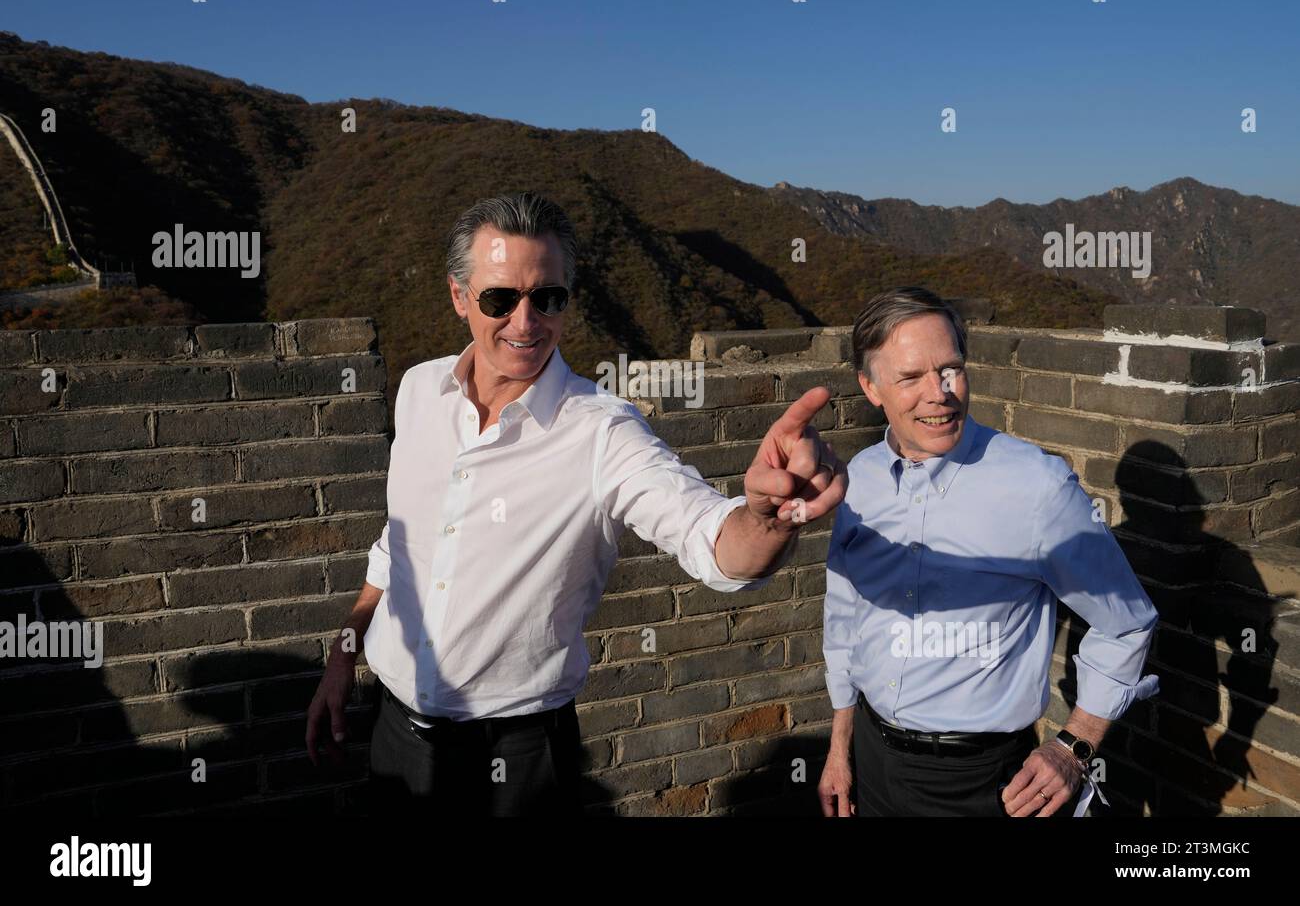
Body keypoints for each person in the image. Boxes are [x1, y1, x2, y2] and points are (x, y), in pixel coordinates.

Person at [306, 191, 847, 815]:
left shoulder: (601, 432)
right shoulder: (420, 391)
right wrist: (344, 654)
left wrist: (766, 516)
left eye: (548, 297)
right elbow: (398, 543)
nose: (526, 321)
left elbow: (709, 538)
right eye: (499, 298)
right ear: (459, 297)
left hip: (519, 756)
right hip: (395, 731)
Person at [817, 286, 1159, 817]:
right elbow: (845, 617)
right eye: (910, 377)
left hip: (982, 784)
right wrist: (840, 749)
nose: (940, 392)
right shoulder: (858, 479)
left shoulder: (1035, 485)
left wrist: (1075, 746)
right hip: (871, 758)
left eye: (950, 368)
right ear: (871, 387)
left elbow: (1128, 621)